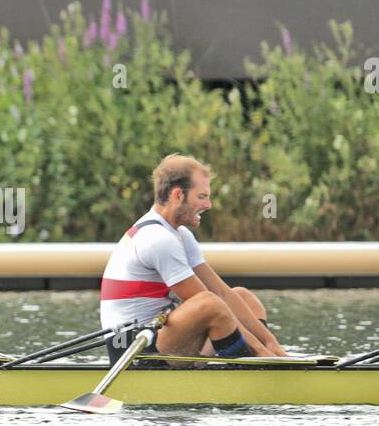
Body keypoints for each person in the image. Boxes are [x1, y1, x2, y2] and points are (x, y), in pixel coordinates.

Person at [99, 154, 285, 364]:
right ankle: (254, 368)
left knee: (242, 296)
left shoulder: (179, 234)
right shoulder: (157, 239)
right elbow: (210, 301)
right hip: (133, 350)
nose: (209, 205)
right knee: (210, 304)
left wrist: (272, 344)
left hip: (158, 335)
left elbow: (221, 291)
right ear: (178, 195)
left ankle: (259, 359)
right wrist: (260, 350)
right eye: (202, 196)